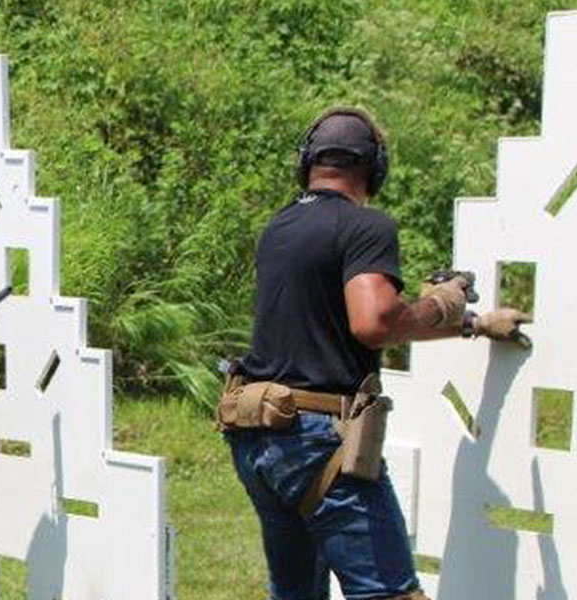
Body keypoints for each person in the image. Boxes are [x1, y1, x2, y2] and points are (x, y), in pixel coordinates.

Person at [221, 107, 530, 600]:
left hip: (260, 435)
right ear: (375, 167)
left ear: (308, 163)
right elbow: (374, 323)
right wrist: (442, 303)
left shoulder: (279, 227)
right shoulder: (366, 227)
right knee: (389, 594)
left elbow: (335, 327)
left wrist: (471, 324)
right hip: (318, 443)